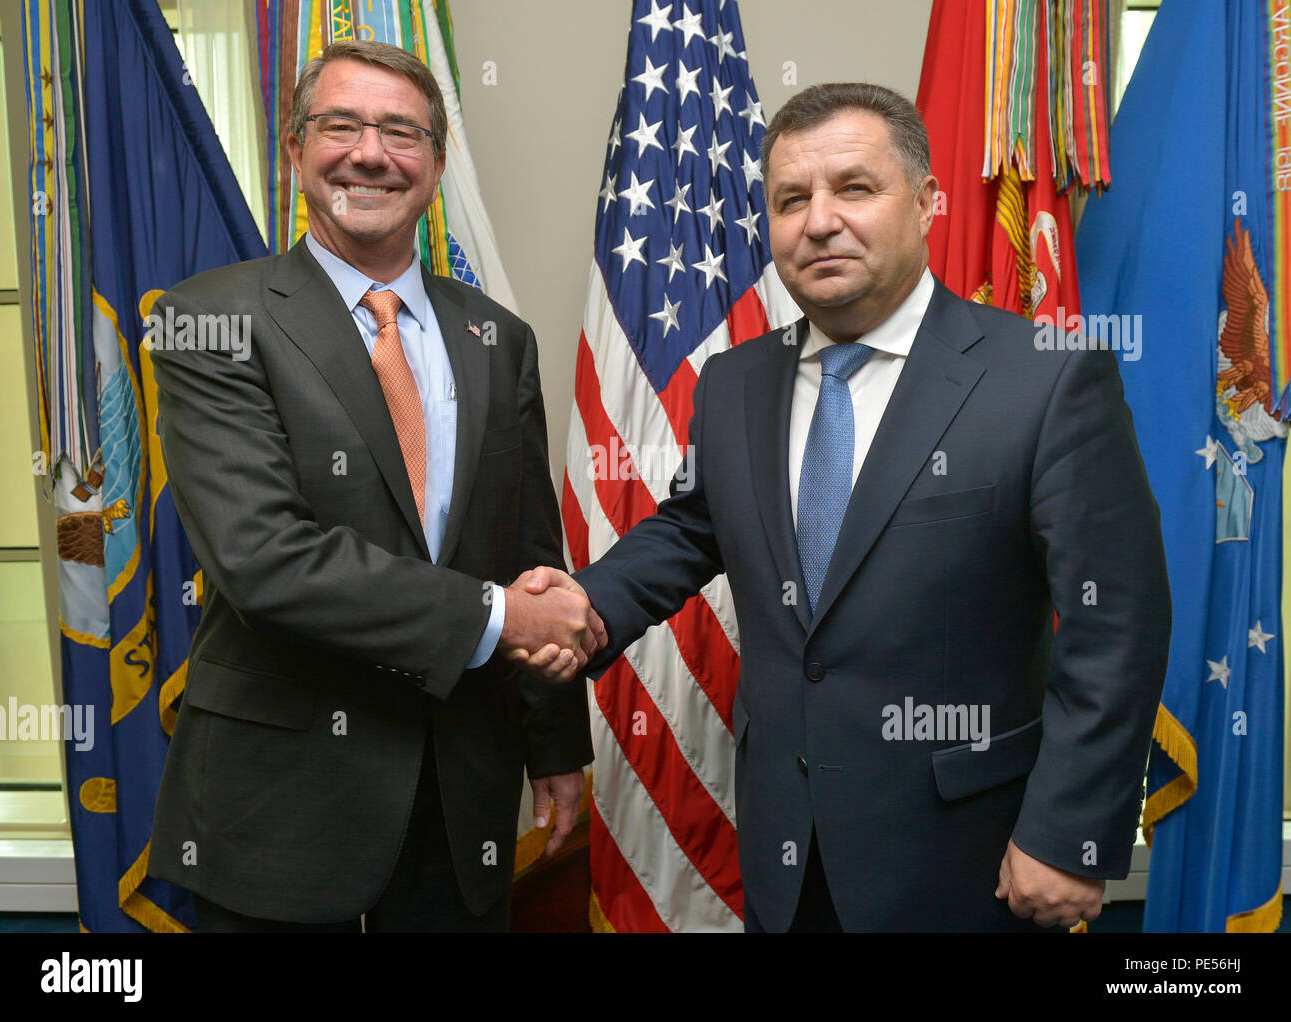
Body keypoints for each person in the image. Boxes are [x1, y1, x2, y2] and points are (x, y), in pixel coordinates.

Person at [517, 82, 1171, 932]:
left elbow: (1117, 620)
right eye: (791, 200)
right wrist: (588, 604)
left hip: (969, 860)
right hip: (785, 851)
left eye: (855, 188)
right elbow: (694, 527)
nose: (819, 221)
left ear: (930, 202)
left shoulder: (1046, 378)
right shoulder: (735, 382)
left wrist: (1072, 833)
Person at [146, 39, 602, 932]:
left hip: (460, 794)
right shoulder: (211, 321)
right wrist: (503, 617)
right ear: (295, 148)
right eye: (340, 125)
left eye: (402, 132)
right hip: (279, 805)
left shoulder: (496, 338)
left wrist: (554, 743)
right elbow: (264, 559)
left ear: (435, 163)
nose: (369, 153)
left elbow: (529, 552)